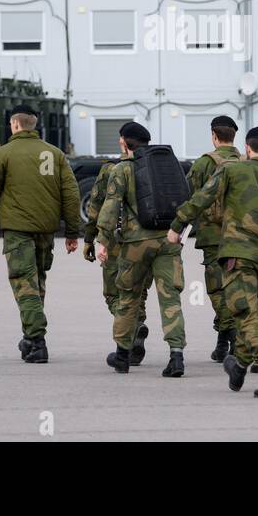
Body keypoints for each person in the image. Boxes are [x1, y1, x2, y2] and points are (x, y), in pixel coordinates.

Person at [170, 126, 258, 398]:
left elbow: (202, 198)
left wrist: (178, 225)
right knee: (253, 314)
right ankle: (239, 366)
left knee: (245, 313)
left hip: (240, 255)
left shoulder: (232, 169)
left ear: (248, 149)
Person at [0, 105, 83, 364]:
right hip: (46, 231)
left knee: (24, 283)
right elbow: (71, 195)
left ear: (14, 125)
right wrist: (72, 231)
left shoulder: (4, 154)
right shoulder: (55, 154)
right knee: (37, 282)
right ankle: (29, 336)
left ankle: (36, 341)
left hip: (18, 231)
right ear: (33, 125)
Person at [95, 122, 186, 377]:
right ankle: (176, 356)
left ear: (125, 142)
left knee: (128, 297)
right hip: (168, 241)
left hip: (136, 243)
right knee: (170, 298)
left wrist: (102, 239)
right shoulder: (165, 164)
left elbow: (111, 205)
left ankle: (122, 355)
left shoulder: (123, 169)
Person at [183, 115, 242, 362]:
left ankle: (233, 338)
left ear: (214, 136)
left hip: (213, 236)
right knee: (238, 288)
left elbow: (189, 195)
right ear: (234, 137)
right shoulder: (247, 161)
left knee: (217, 290)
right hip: (242, 237)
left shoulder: (204, 164)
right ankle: (223, 342)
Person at [82, 159, 150, 365]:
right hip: (143, 240)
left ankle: (133, 328)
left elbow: (96, 206)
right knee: (137, 292)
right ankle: (137, 327)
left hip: (114, 240)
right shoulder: (149, 167)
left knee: (113, 293)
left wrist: (89, 238)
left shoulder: (110, 169)